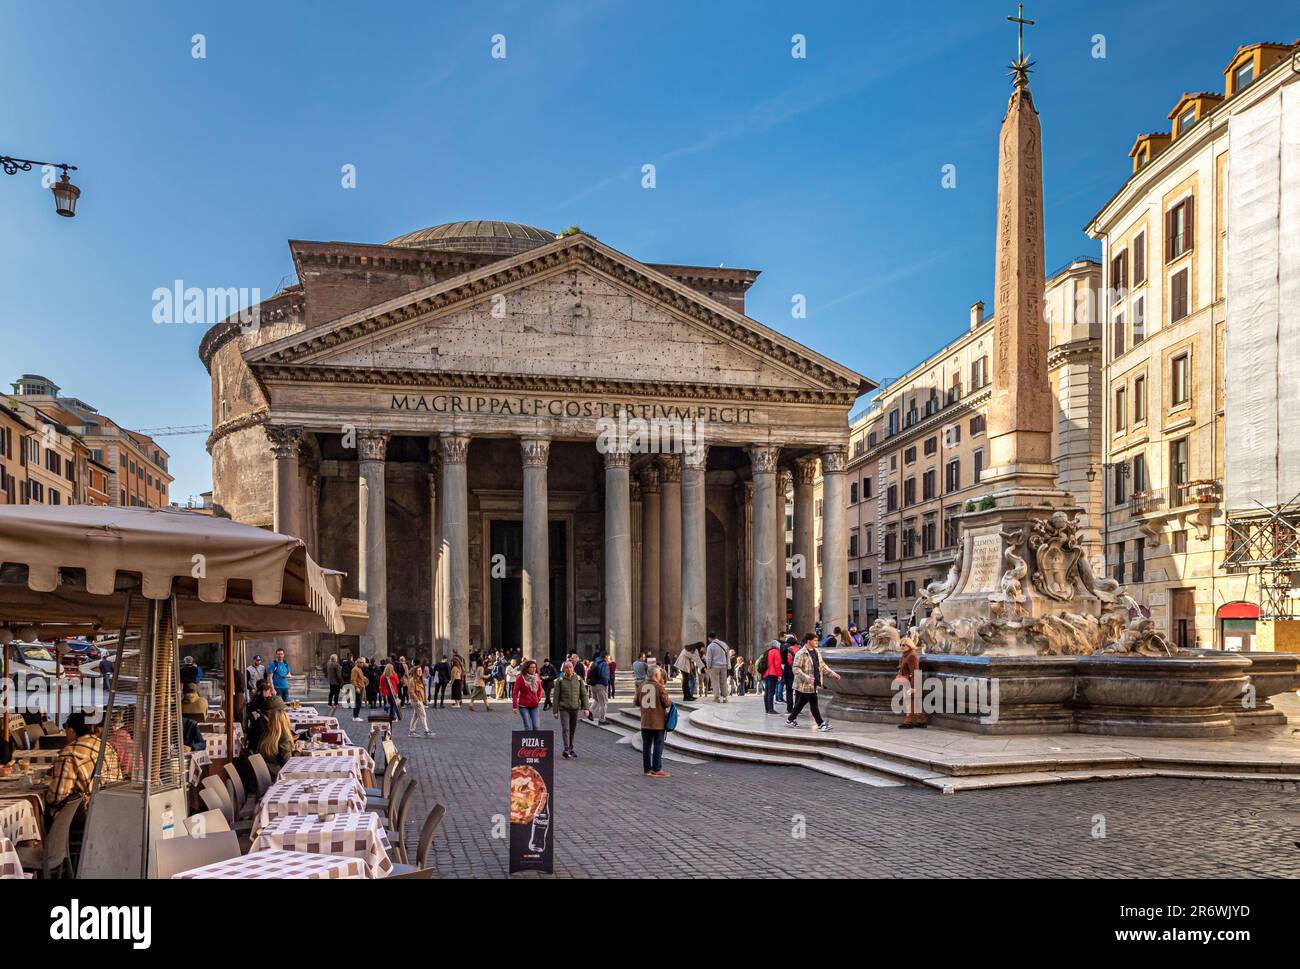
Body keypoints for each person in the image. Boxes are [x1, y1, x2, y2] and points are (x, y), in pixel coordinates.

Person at [46, 712, 122, 816]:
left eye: (65, 728)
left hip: (86, 813)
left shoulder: (70, 753)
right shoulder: (106, 746)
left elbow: (57, 796)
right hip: (112, 807)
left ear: (71, 730)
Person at [787, 632, 841, 732]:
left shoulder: (816, 652)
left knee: (801, 703)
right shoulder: (801, 653)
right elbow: (795, 668)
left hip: (814, 682)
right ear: (808, 641)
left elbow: (822, 666)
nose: (817, 642)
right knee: (813, 703)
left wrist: (833, 673)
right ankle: (821, 724)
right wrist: (806, 677)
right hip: (805, 684)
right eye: (815, 640)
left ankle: (790, 719)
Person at [637, 666, 672, 778]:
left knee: (646, 746)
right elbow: (667, 703)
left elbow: (636, 702)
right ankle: (657, 768)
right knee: (658, 745)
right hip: (657, 723)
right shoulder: (659, 687)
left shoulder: (641, 686)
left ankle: (647, 769)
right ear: (656, 675)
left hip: (645, 721)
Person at [552, 661, 589, 759]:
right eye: (567, 668)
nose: (569, 669)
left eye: (571, 667)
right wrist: (555, 711)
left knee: (572, 730)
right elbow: (556, 696)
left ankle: (571, 748)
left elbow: (584, 694)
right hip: (564, 708)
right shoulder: (559, 680)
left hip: (575, 708)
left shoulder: (578, 679)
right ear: (564, 669)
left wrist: (586, 708)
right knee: (566, 729)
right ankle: (566, 749)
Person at [896, 638, 928, 729]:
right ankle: (922, 720)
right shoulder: (904, 655)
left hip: (911, 682)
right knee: (914, 701)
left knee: (911, 701)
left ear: (909, 646)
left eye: (904, 645)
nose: (902, 647)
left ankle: (909, 721)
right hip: (906, 681)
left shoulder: (912, 656)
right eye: (901, 645)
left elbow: (915, 672)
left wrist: (914, 687)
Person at [257, 705, 295, 771]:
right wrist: (297, 752)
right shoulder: (284, 738)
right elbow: (287, 764)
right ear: (286, 721)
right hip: (277, 776)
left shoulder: (267, 735)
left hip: (265, 773)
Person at [514, 660, 544, 730]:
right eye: (532, 667)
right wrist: (514, 706)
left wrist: (539, 697)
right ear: (527, 668)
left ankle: (534, 740)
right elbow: (515, 692)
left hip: (534, 705)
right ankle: (528, 740)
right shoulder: (521, 678)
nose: (534, 669)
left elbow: (540, 689)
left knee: (536, 726)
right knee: (528, 727)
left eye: (535, 667)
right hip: (524, 706)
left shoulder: (536, 677)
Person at [406, 663, 431, 737]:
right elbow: (411, 691)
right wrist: (417, 700)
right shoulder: (412, 680)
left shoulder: (420, 679)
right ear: (415, 672)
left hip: (419, 700)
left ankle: (411, 731)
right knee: (423, 714)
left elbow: (423, 692)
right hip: (416, 700)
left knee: (416, 716)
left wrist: (424, 701)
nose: (420, 672)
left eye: (420, 670)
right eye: (418, 671)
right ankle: (426, 730)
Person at [704, 634, 729, 703]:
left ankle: (716, 698)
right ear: (716, 637)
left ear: (709, 638)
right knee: (723, 682)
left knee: (715, 682)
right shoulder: (724, 644)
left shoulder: (710, 646)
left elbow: (709, 658)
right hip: (724, 666)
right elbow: (728, 656)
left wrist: (708, 667)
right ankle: (725, 698)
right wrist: (727, 665)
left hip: (714, 667)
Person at [588, 652, 611, 724]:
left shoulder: (595, 662)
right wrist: (606, 684)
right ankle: (602, 719)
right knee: (603, 703)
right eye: (608, 657)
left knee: (597, 700)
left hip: (593, 684)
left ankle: (590, 711)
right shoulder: (604, 664)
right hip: (601, 685)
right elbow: (604, 675)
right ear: (606, 656)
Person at [762, 640, 783, 715]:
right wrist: (780, 674)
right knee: (771, 692)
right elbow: (777, 664)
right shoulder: (776, 652)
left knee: (767, 692)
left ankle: (767, 709)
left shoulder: (768, 651)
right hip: (773, 674)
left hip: (766, 674)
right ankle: (771, 710)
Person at [780, 636, 798, 713]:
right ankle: (797, 708)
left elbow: (782, 659)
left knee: (789, 690)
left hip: (789, 670)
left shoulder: (785, 648)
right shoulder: (799, 649)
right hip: (798, 670)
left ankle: (789, 708)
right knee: (798, 690)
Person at [350, 657, 368, 722]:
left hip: (361, 687)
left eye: (363, 662)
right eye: (360, 662)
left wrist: (363, 678)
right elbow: (353, 680)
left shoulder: (359, 669)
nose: (362, 664)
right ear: (357, 663)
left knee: (358, 703)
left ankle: (356, 716)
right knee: (358, 703)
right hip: (358, 688)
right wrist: (356, 687)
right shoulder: (355, 669)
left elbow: (358, 677)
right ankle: (355, 716)